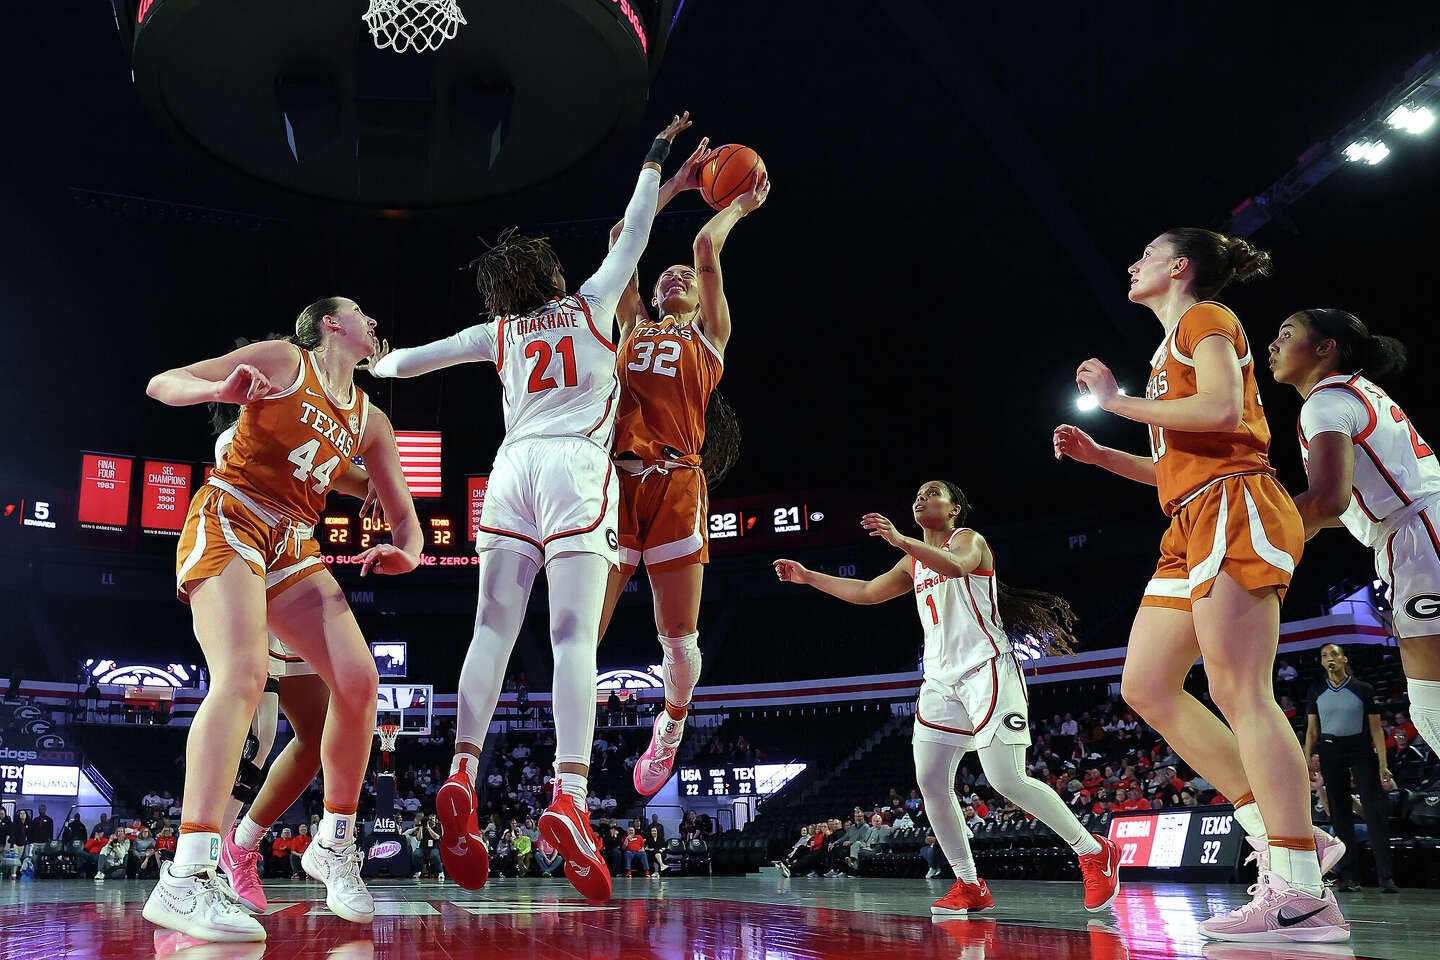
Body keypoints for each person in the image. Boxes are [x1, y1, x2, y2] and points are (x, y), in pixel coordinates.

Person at [370, 114, 694, 901]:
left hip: (511, 470)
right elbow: (638, 230)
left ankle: (460, 770)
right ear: (552, 273)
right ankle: (570, 797)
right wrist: (656, 160)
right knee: (573, 636)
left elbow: (414, 360)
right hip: (577, 469)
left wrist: (371, 366)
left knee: (490, 629)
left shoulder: (501, 331)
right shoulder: (589, 302)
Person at [1052, 228, 1347, 942]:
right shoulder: (1165, 348)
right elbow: (1176, 465)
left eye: (1146, 254)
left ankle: (1302, 886)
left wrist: (1116, 404)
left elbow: (1220, 413)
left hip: (1235, 504)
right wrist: (1102, 457)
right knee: (1147, 686)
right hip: (1191, 516)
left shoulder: (1205, 319)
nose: (1132, 263)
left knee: (1239, 690)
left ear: (1179, 268)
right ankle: (1276, 830)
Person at [143, 296, 424, 940]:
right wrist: (220, 387)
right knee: (241, 677)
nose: (375, 323)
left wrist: (405, 551)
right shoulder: (282, 361)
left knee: (359, 681)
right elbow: (164, 383)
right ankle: (185, 875)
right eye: (363, 313)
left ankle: (334, 841)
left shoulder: (369, 420)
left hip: (291, 540)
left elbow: (402, 510)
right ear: (330, 324)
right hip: (231, 515)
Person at [775, 480, 1121, 916]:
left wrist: (900, 538)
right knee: (932, 783)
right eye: (917, 494)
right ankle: (970, 884)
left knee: (1006, 779)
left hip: (986, 669)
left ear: (954, 509)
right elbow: (865, 593)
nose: (920, 498)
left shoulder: (969, 541)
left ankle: (1092, 851)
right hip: (939, 682)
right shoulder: (911, 563)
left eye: (932, 492)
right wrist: (808, 577)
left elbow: (957, 566)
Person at [594, 145, 766, 801]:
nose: (674, 277)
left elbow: (702, 246)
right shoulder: (633, 321)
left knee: (678, 641)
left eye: (683, 278)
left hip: (678, 483)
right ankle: (568, 780)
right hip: (614, 484)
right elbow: (620, 238)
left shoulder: (709, 338)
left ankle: (670, 725)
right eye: (663, 274)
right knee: (582, 636)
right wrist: (670, 184)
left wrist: (740, 203)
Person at [1268, 308, 1440, 767]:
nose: (1272, 345)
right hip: (1413, 530)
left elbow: (1326, 500)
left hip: (1424, 538)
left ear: (1326, 348)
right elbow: (1350, 507)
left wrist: (1256, 540)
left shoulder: (1324, 402)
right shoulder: (1353, 394)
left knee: (1431, 710)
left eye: (1287, 334)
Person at [1303, 644, 1397, 892]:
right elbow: (1312, 730)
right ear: (1322, 663)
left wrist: (1383, 764)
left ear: (1344, 659)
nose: (1329, 659)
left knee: (1374, 811)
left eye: (1334, 654)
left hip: (1360, 749)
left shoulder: (1363, 689)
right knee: (1340, 814)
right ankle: (1350, 877)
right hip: (1330, 750)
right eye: (1324, 656)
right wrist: (1306, 758)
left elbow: (1376, 729)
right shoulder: (1316, 690)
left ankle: (1386, 877)